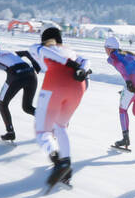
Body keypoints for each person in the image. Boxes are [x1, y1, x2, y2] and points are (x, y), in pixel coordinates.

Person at [29, 27, 91, 188]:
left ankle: (58, 162)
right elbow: (86, 60)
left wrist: (68, 63)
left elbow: (45, 52)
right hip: (78, 87)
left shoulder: (42, 47)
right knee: (60, 127)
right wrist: (81, 69)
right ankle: (67, 169)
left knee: (42, 131)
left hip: (55, 84)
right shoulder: (70, 50)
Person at [0, 37, 40, 142]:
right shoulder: (7, 52)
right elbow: (26, 53)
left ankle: (10, 132)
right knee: (27, 107)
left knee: (2, 103)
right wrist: (36, 64)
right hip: (31, 74)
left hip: (16, 75)